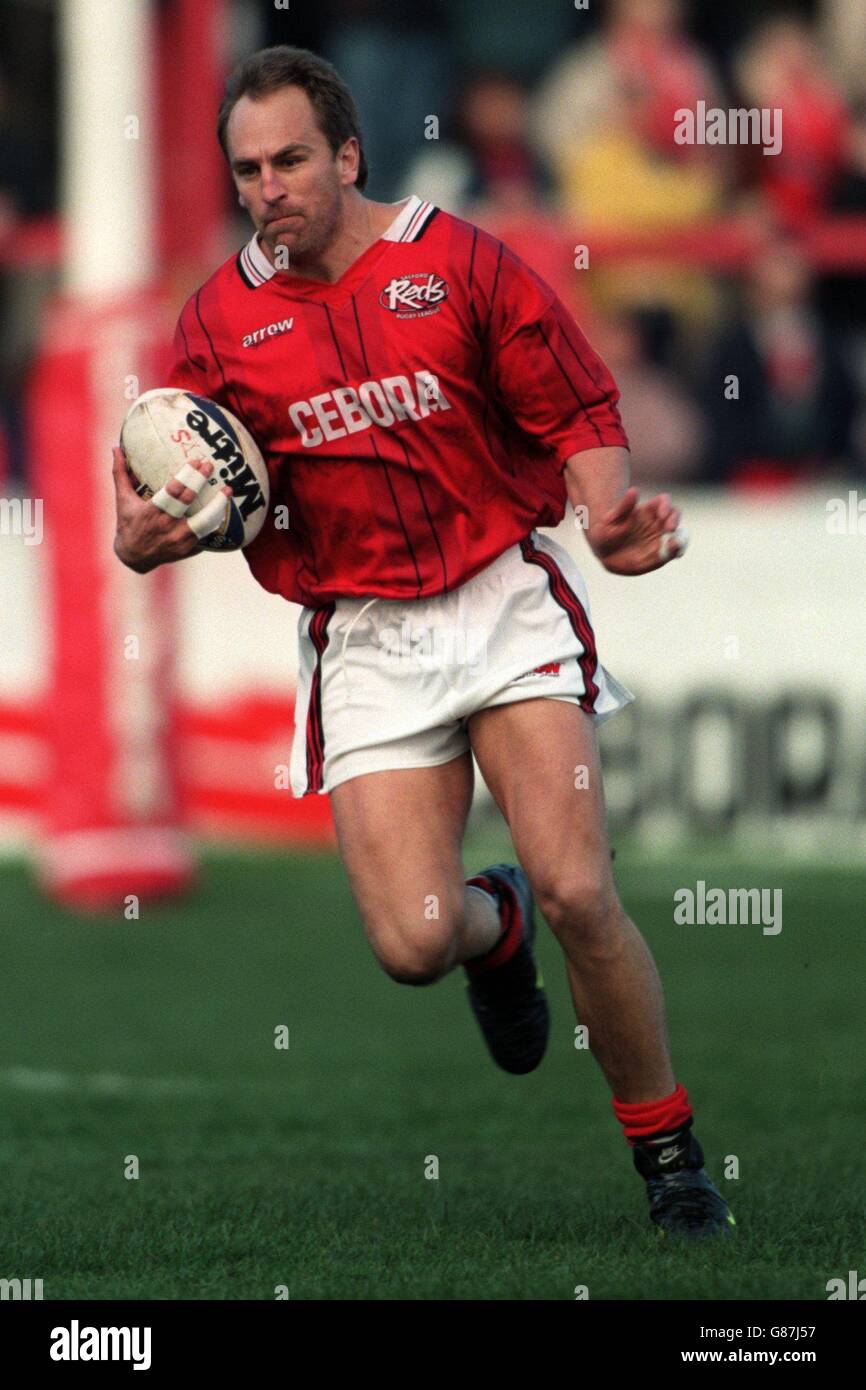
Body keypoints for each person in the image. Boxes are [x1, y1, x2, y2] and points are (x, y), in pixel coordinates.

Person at [111, 45, 734, 1239]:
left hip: (498, 599)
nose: (268, 188)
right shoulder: (218, 323)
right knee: (412, 942)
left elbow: (576, 409)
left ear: (347, 155)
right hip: (364, 634)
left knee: (579, 887)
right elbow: (168, 489)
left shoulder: (455, 263)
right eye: (246, 170)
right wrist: (146, 537)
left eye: (290, 159)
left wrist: (607, 516)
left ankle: (670, 1157)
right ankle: (489, 930)